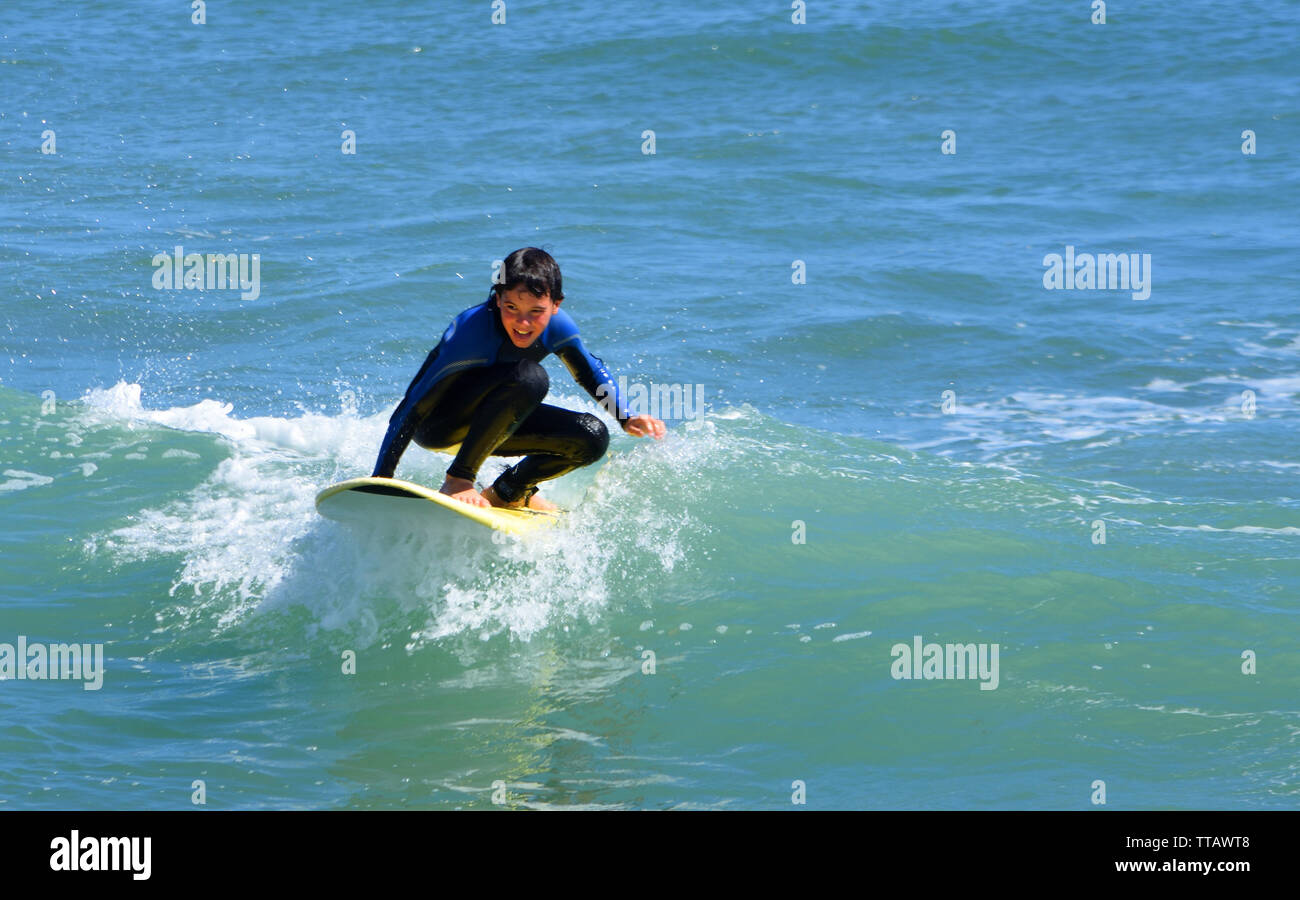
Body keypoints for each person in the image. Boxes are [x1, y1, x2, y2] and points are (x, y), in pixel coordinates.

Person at [372, 247, 666, 510]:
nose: (523, 323)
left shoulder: (559, 327)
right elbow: (413, 405)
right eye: (511, 307)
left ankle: (509, 491)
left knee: (591, 437)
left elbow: (589, 371)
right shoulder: (472, 331)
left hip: (494, 427)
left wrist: (626, 416)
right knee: (531, 377)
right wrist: (381, 478)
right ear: (498, 299)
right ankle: (458, 479)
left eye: (536, 311)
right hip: (441, 425)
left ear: (556, 305)